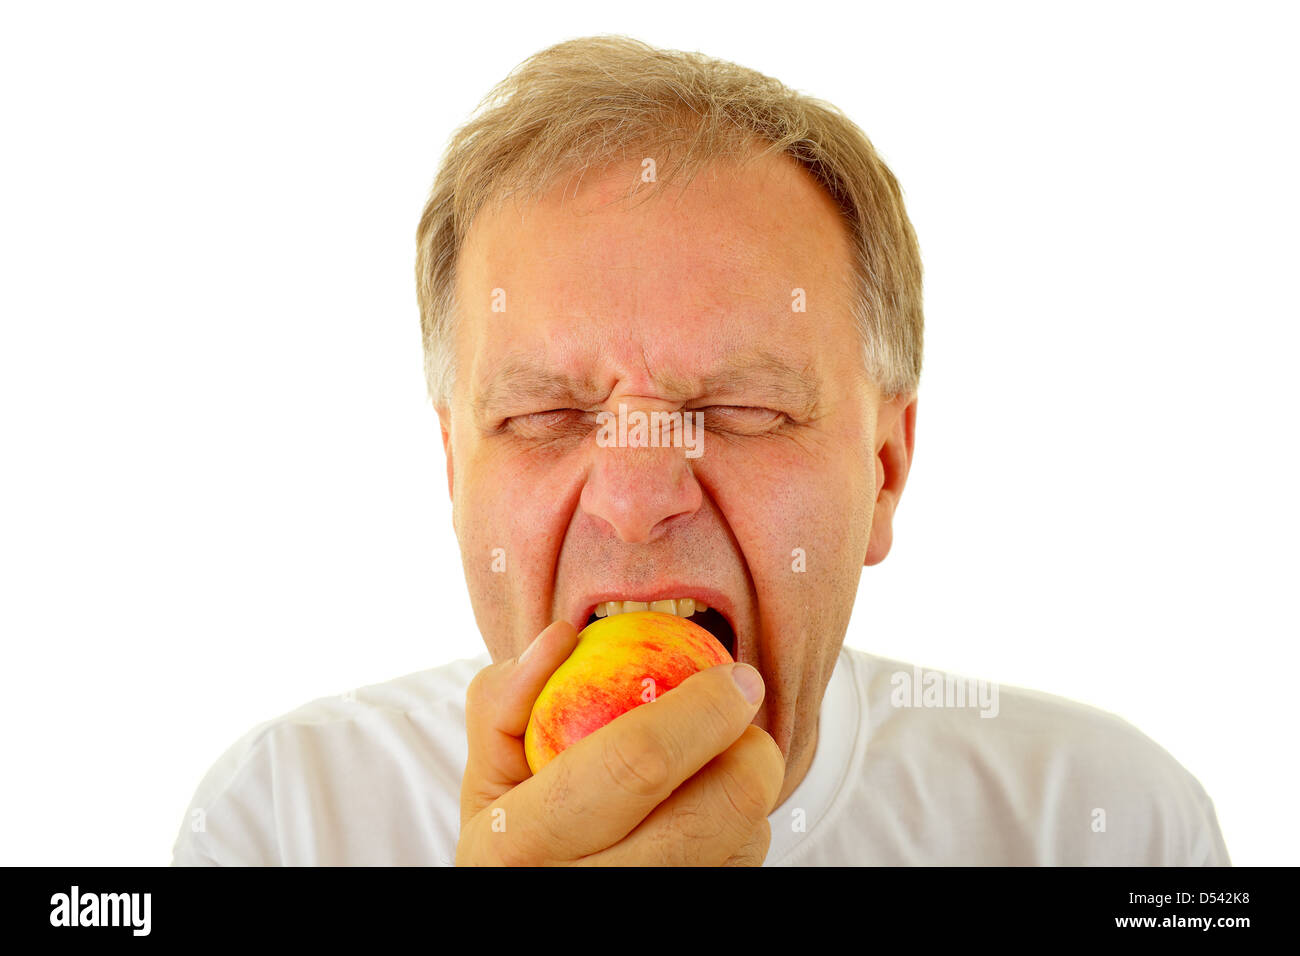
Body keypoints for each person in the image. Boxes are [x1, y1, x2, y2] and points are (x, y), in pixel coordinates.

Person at [171, 35, 1229, 866]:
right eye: (545, 416)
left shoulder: (1113, 823)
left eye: (738, 407)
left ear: (885, 470)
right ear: (455, 473)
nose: (636, 499)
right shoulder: (280, 822)